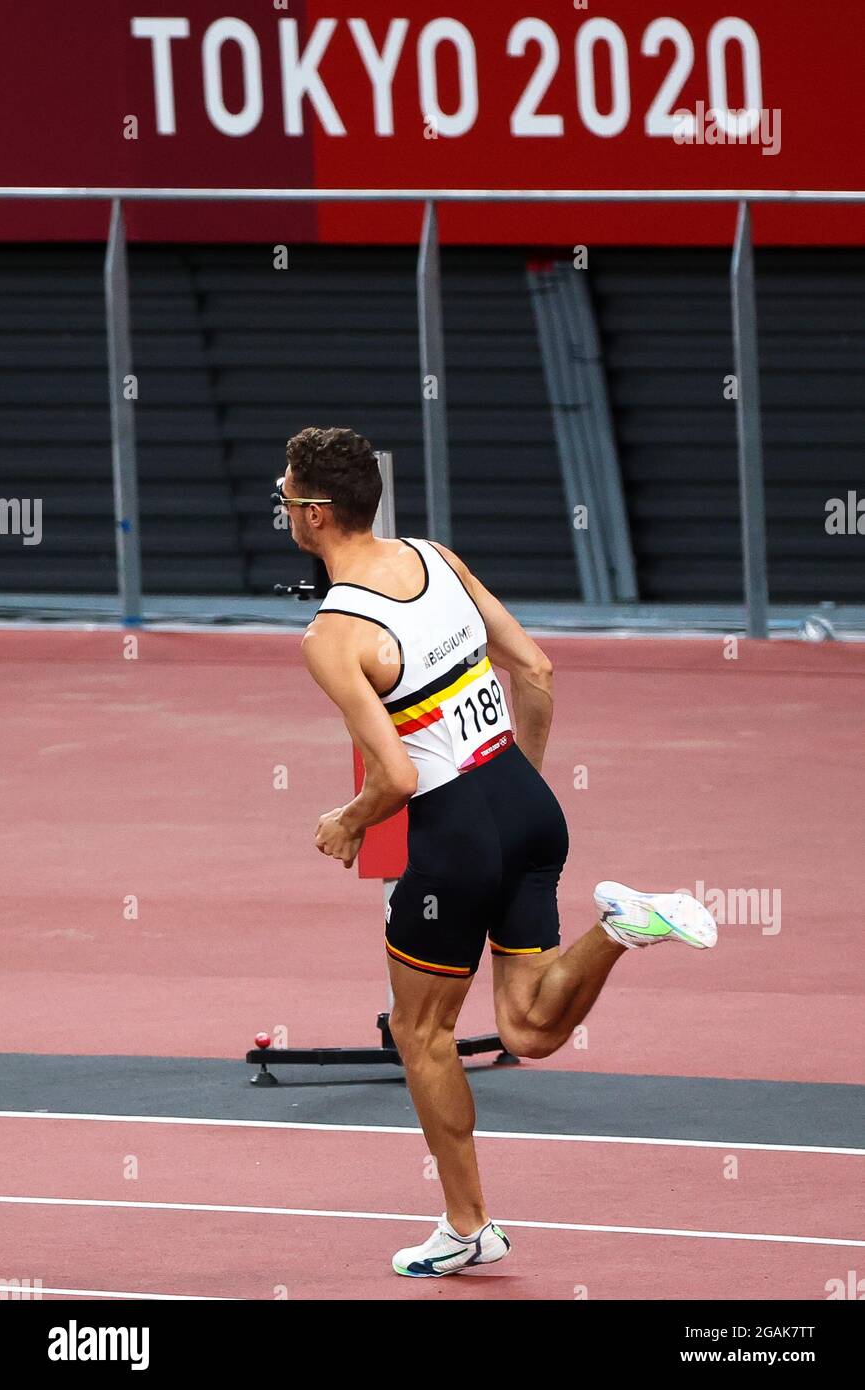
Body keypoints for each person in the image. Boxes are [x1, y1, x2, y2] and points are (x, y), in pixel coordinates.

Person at [278, 426, 717, 1279]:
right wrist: (517, 792)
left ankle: (467, 1223)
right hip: (523, 800)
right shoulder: (437, 558)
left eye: (287, 498)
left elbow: (397, 776)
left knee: (421, 1034)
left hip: (456, 837)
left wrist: (345, 821)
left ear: (317, 515)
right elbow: (539, 671)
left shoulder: (331, 636)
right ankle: (622, 928)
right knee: (526, 1026)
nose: (283, 509)